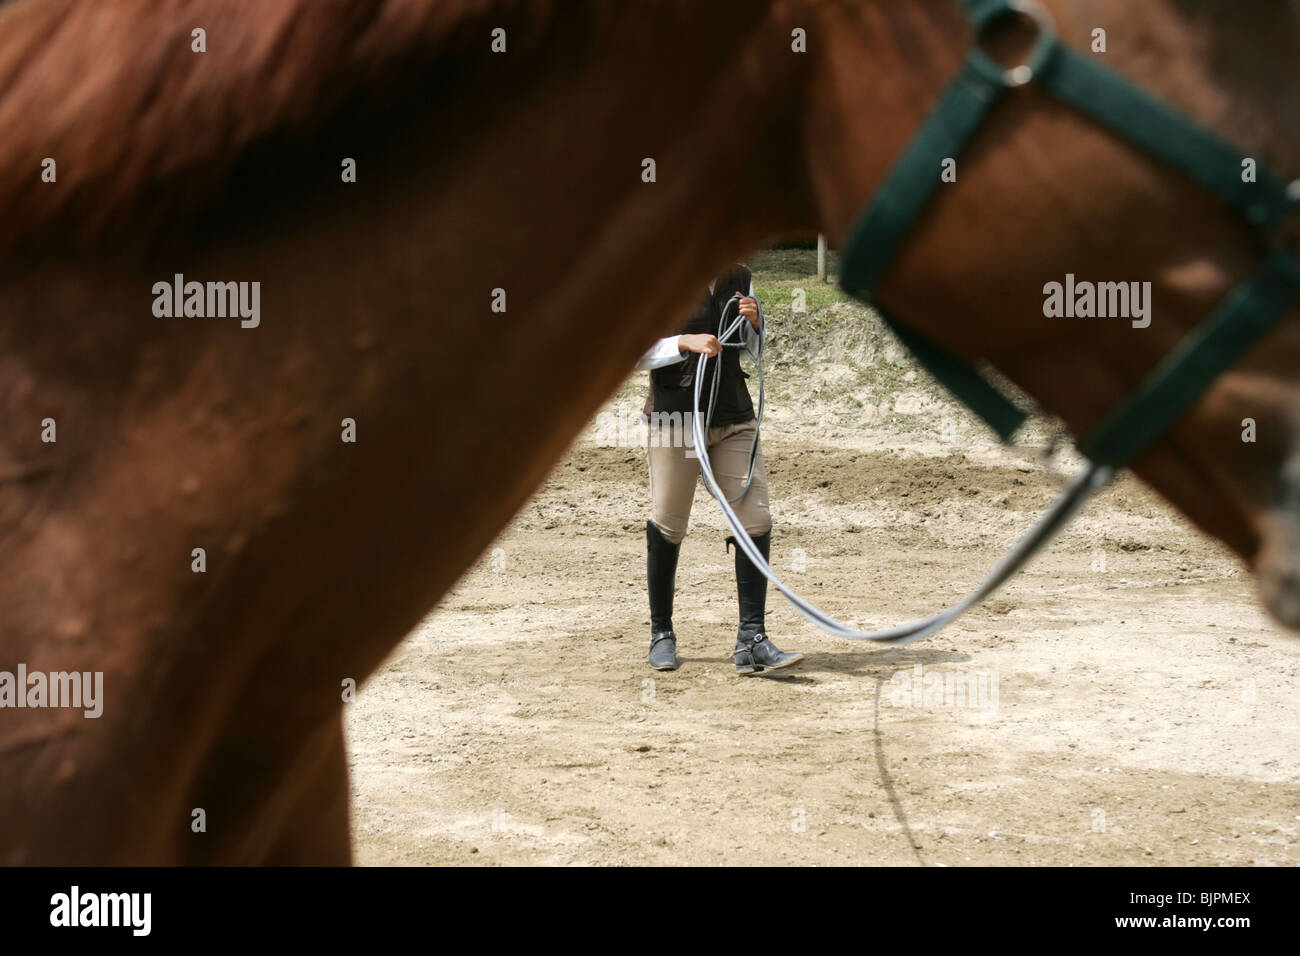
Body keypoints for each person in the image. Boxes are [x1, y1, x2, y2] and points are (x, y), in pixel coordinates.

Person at [634, 263, 804, 676]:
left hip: (733, 416)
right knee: (669, 524)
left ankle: (752, 639)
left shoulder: (741, 275)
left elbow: (752, 349)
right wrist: (683, 342)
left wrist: (755, 325)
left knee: (755, 519)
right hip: (675, 420)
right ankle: (662, 633)